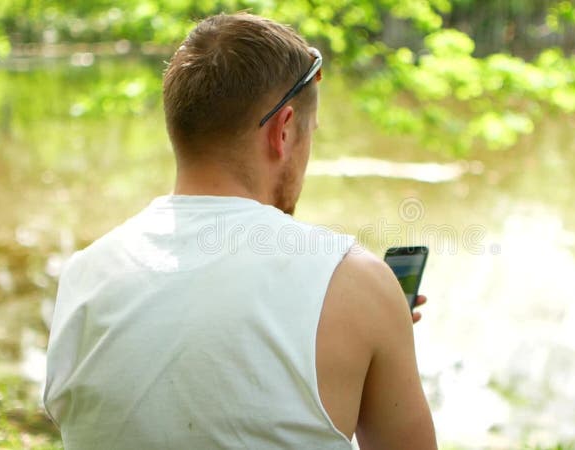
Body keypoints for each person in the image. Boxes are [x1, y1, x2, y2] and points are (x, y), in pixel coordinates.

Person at [43, 12, 437, 450]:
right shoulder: (354, 282)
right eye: (310, 135)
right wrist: (379, 325)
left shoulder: (84, 275)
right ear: (283, 131)